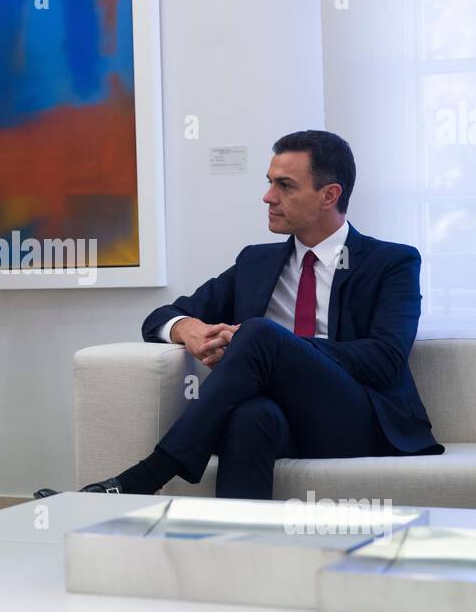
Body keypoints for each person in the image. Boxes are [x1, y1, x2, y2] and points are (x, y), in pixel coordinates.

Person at [38, 130, 442, 500]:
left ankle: (145, 477)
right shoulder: (256, 262)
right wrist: (188, 329)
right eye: (269, 182)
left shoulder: (391, 262)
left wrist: (281, 350)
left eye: (285, 186)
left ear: (329, 195)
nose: (268, 197)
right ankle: (238, 552)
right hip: (284, 420)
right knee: (250, 416)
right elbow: (162, 316)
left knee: (260, 334)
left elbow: (385, 360)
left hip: (359, 420)